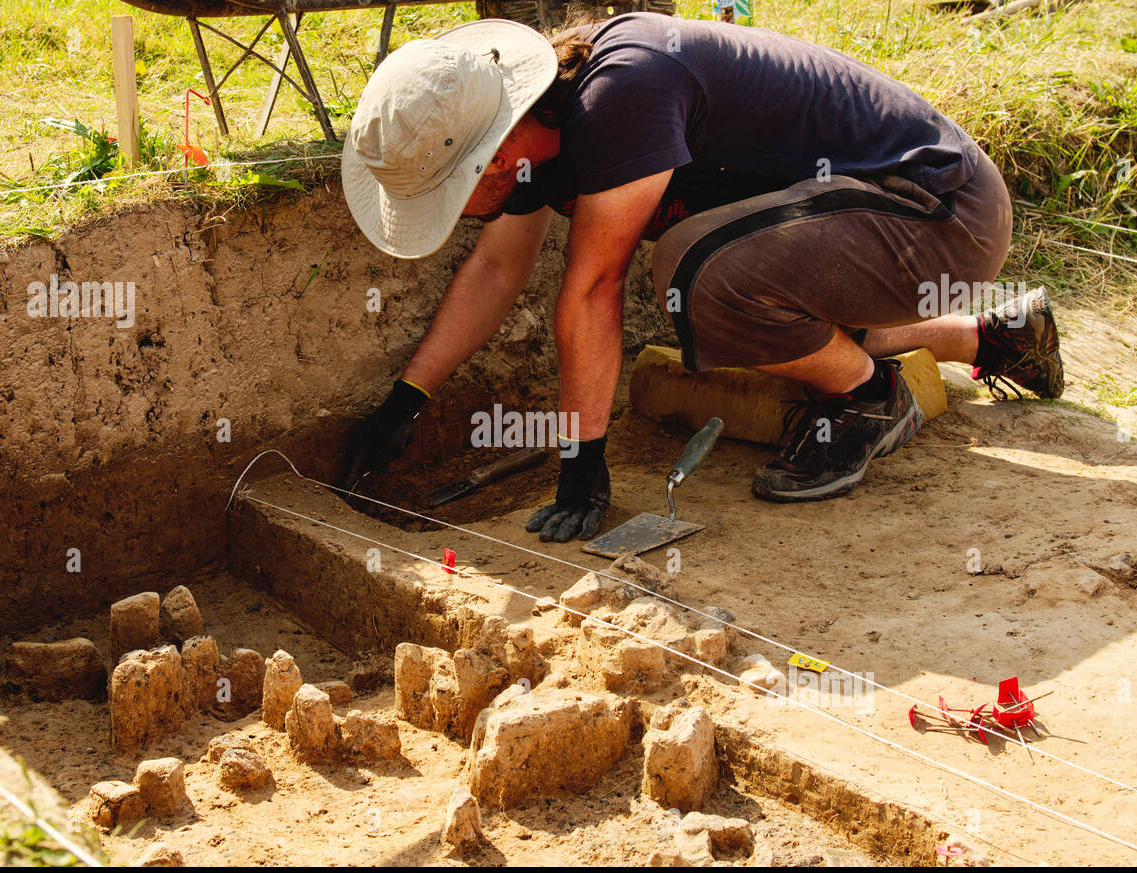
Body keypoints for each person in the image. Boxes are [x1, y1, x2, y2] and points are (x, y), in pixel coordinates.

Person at [340, 12, 1064, 541]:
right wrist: (408, 398)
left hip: (938, 211)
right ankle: (995, 340)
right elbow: (497, 269)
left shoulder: (620, 94)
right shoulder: (535, 139)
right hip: (862, 229)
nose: (454, 215)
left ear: (489, 159)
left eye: (445, 196)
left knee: (696, 273)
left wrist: (580, 460)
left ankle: (870, 397)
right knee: (739, 281)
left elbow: (593, 288)